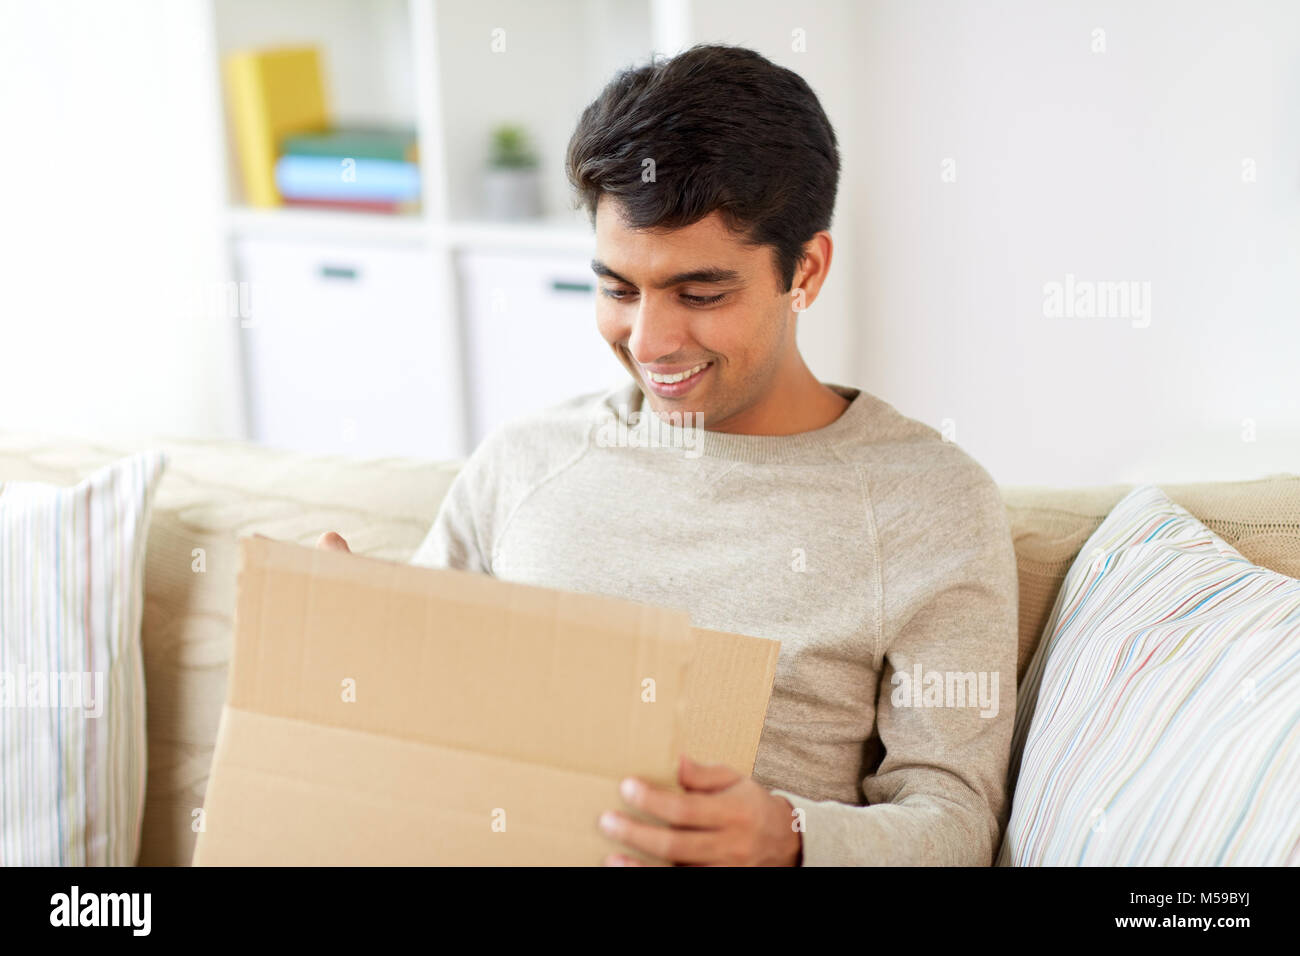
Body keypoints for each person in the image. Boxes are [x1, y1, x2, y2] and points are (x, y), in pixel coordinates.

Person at [320, 44, 1018, 867]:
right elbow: (409, 726)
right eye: (618, 289)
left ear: (807, 270)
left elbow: (954, 819)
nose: (649, 342)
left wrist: (789, 837)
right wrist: (340, 637)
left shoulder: (926, 502)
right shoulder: (526, 458)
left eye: (700, 294)